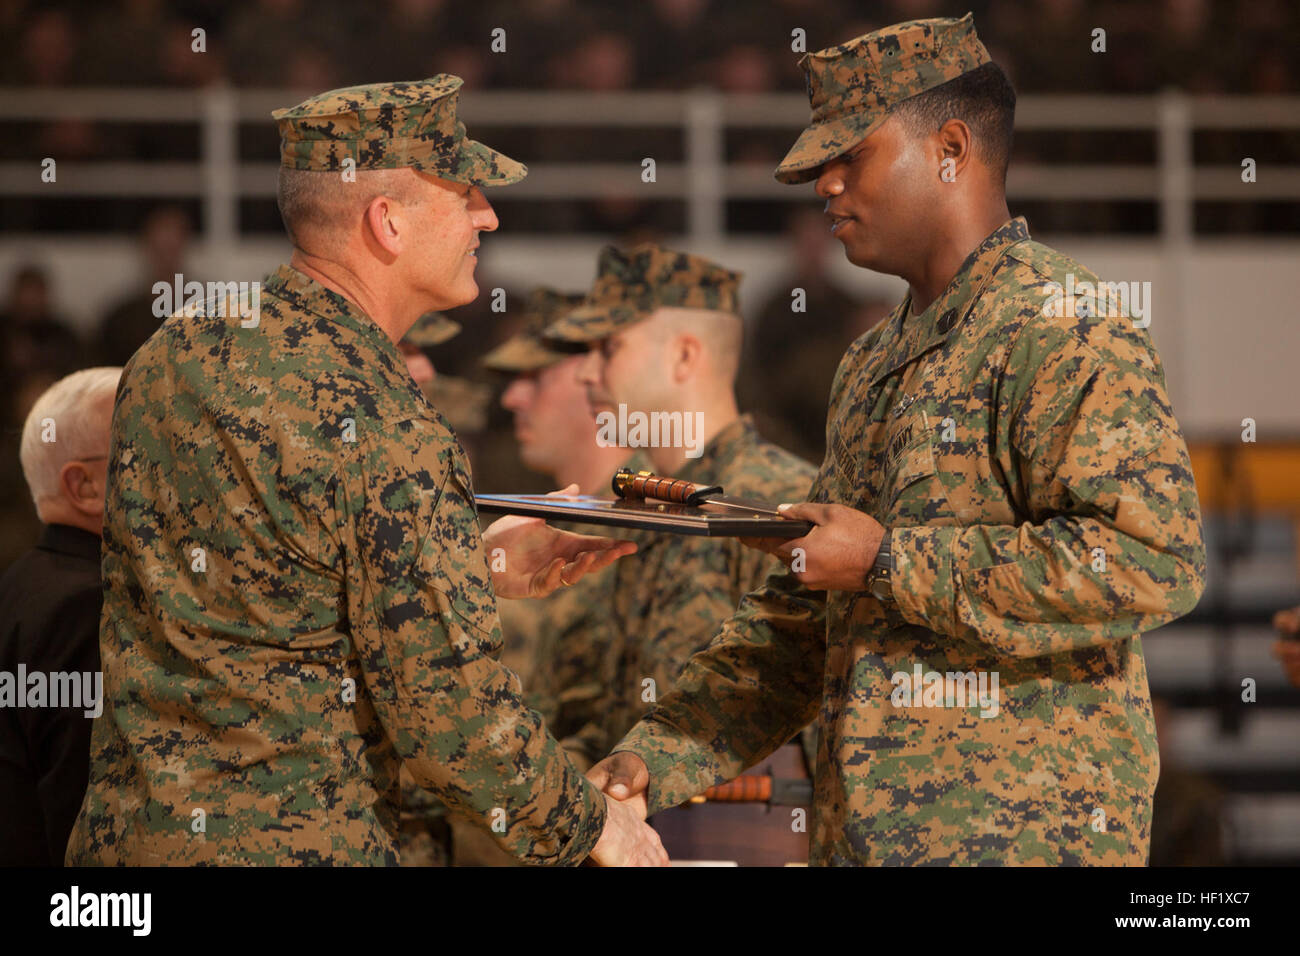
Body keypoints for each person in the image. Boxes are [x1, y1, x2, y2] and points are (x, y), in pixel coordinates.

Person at [589, 15, 1207, 866]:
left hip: (1027, 843)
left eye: (852, 158)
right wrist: (650, 757)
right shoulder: (873, 361)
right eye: (820, 167)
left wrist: (888, 563)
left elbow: (1151, 560)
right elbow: (810, 622)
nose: (826, 187)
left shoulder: (1062, 321)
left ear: (951, 147)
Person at [65, 77, 665, 867]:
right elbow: (448, 713)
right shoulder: (378, 412)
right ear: (385, 222)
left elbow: (264, 596)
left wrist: (471, 564)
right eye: (464, 193)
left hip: (128, 847)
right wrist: (592, 827)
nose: (486, 214)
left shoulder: (175, 351)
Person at [545, 244, 818, 864]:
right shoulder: (646, 505)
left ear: (685, 354)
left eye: (608, 348)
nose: (586, 374)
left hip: (750, 840)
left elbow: (800, 706)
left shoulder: (775, 503)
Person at [0, 367, 120, 865]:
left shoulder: (23, 580)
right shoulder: (86, 606)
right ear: (85, 486)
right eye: (153, 450)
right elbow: (81, 820)